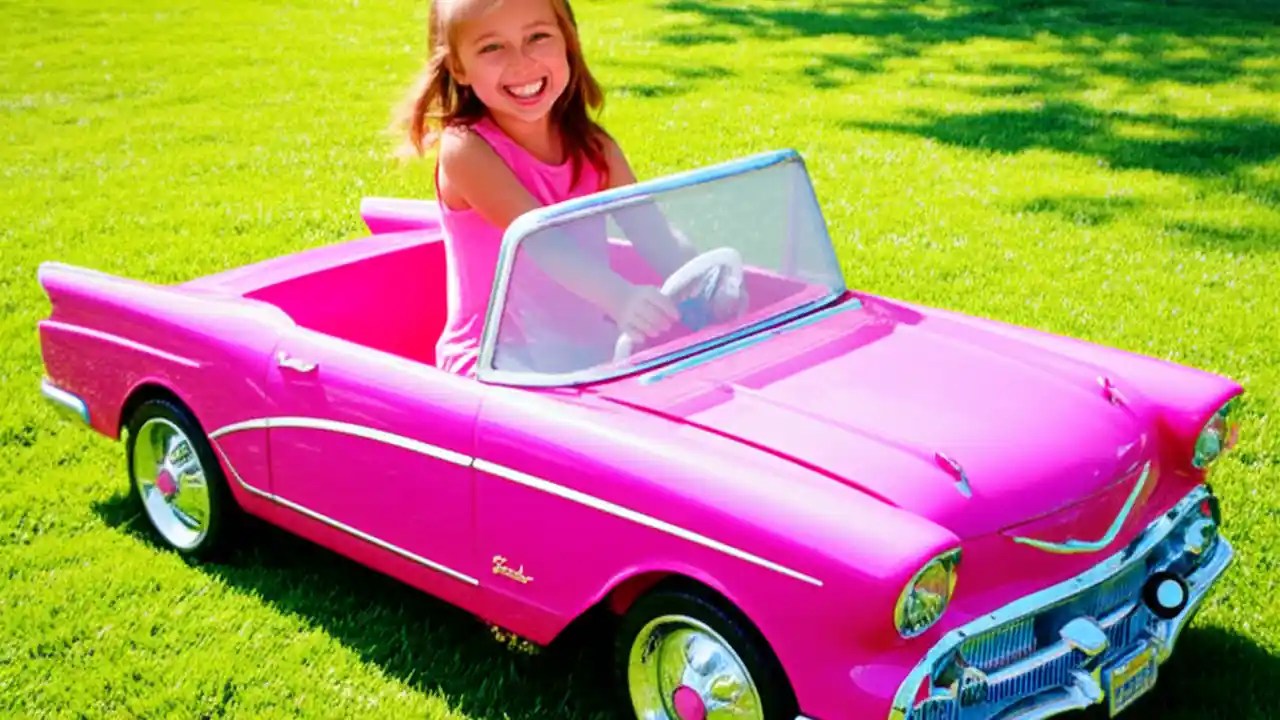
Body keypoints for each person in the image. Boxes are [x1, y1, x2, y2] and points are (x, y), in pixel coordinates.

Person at [396, 0, 694, 376]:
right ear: (459, 67)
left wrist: (707, 280)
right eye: (492, 47)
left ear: (567, 41)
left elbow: (654, 233)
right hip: (493, 361)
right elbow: (541, 241)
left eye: (538, 37)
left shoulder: (595, 148)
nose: (521, 63)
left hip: (587, 352)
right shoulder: (465, 149)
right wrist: (621, 297)